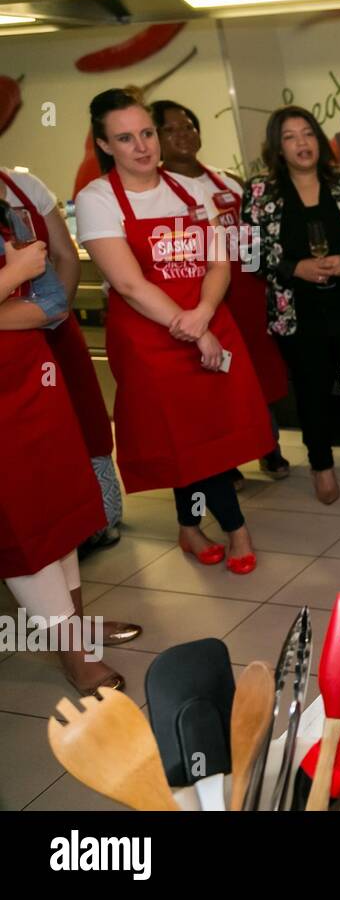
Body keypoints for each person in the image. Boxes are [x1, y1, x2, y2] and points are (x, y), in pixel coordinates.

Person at [76, 88, 272, 575]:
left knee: (212, 434)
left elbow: (219, 264)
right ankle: (236, 530)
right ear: (104, 145)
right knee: (185, 437)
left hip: (206, 320)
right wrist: (192, 329)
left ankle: (188, 526)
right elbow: (128, 282)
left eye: (147, 133)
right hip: (150, 339)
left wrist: (204, 315)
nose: (142, 146)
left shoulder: (193, 191)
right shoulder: (97, 199)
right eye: (126, 138)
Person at [0, 232, 141, 694]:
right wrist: (14, 275)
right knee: (21, 521)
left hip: (31, 379)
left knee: (59, 508)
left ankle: (76, 626)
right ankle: (73, 651)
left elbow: (53, 303)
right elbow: (29, 284)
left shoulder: (7, 217)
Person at [241, 105, 340, 505]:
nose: (301, 143)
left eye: (307, 133)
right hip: (297, 315)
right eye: (289, 137)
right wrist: (296, 268)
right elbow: (250, 256)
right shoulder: (259, 192)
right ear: (277, 147)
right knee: (311, 392)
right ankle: (320, 465)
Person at [152, 99, 291, 482]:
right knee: (216, 378)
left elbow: (252, 240)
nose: (184, 134)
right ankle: (226, 460)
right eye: (171, 129)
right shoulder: (158, 190)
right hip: (200, 296)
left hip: (245, 292)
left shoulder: (226, 179)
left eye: (189, 126)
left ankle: (268, 447)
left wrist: (261, 280)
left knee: (258, 373)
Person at [0, 165, 124, 555]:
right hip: (21, 335)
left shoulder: (21, 186)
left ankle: (95, 520)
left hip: (52, 333)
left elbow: (64, 258)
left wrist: (53, 314)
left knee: (82, 421)